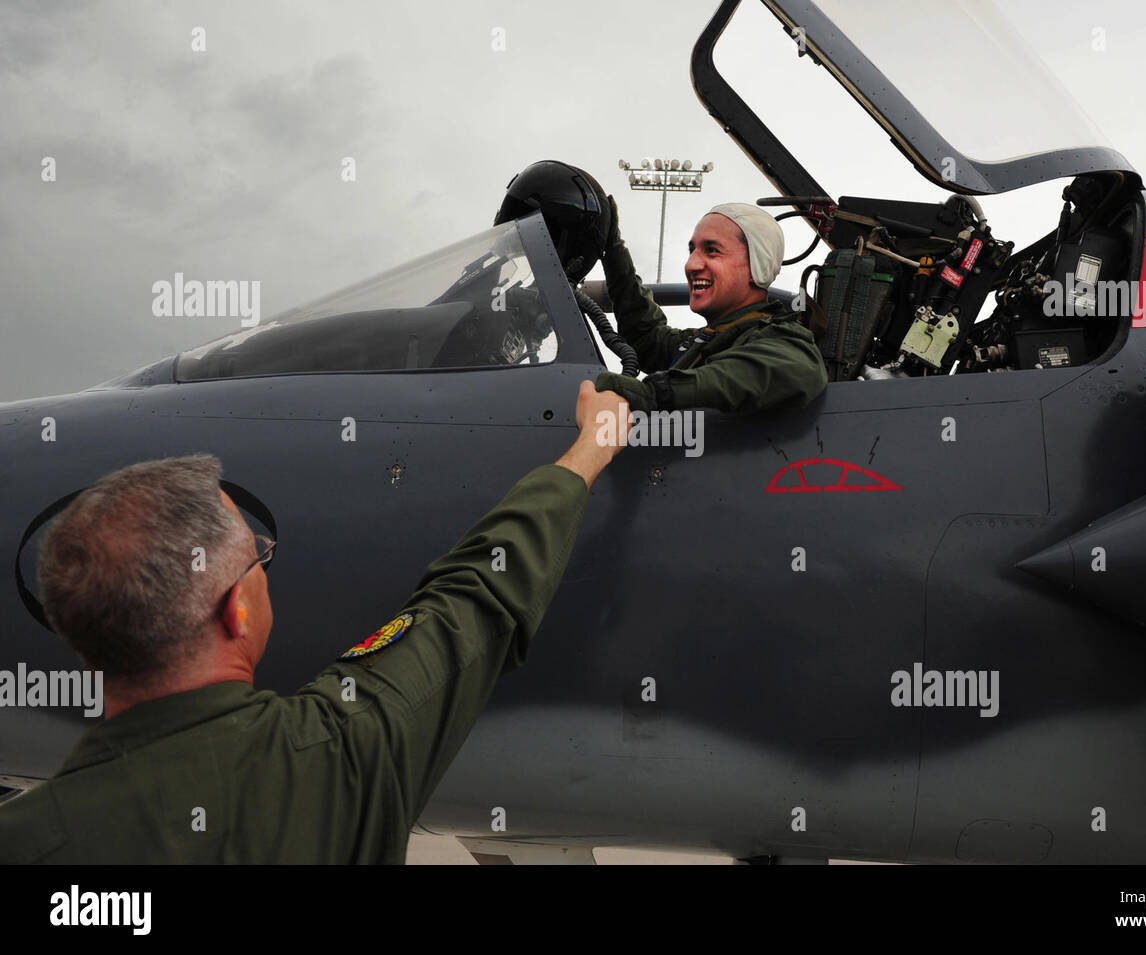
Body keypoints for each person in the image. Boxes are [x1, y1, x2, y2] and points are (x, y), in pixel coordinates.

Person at [0, 380, 628, 864]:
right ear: (235, 608)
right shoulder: (336, 758)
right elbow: (474, 598)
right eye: (257, 559)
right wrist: (589, 451)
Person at [594, 199, 828, 414]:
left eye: (712, 251)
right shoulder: (708, 341)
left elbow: (796, 369)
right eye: (692, 250)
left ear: (757, 266)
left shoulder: (779, 339)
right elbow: (646, 336)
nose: (691, 264)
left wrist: (656, 393)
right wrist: (614, 250)